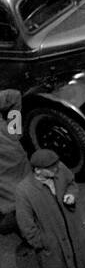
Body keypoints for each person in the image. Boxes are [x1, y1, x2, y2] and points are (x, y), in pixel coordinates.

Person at [0, 89, 29, 235]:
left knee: (14, 199)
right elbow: (15, 95)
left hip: (5, 162)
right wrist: (14, 129)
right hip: (12, 149)